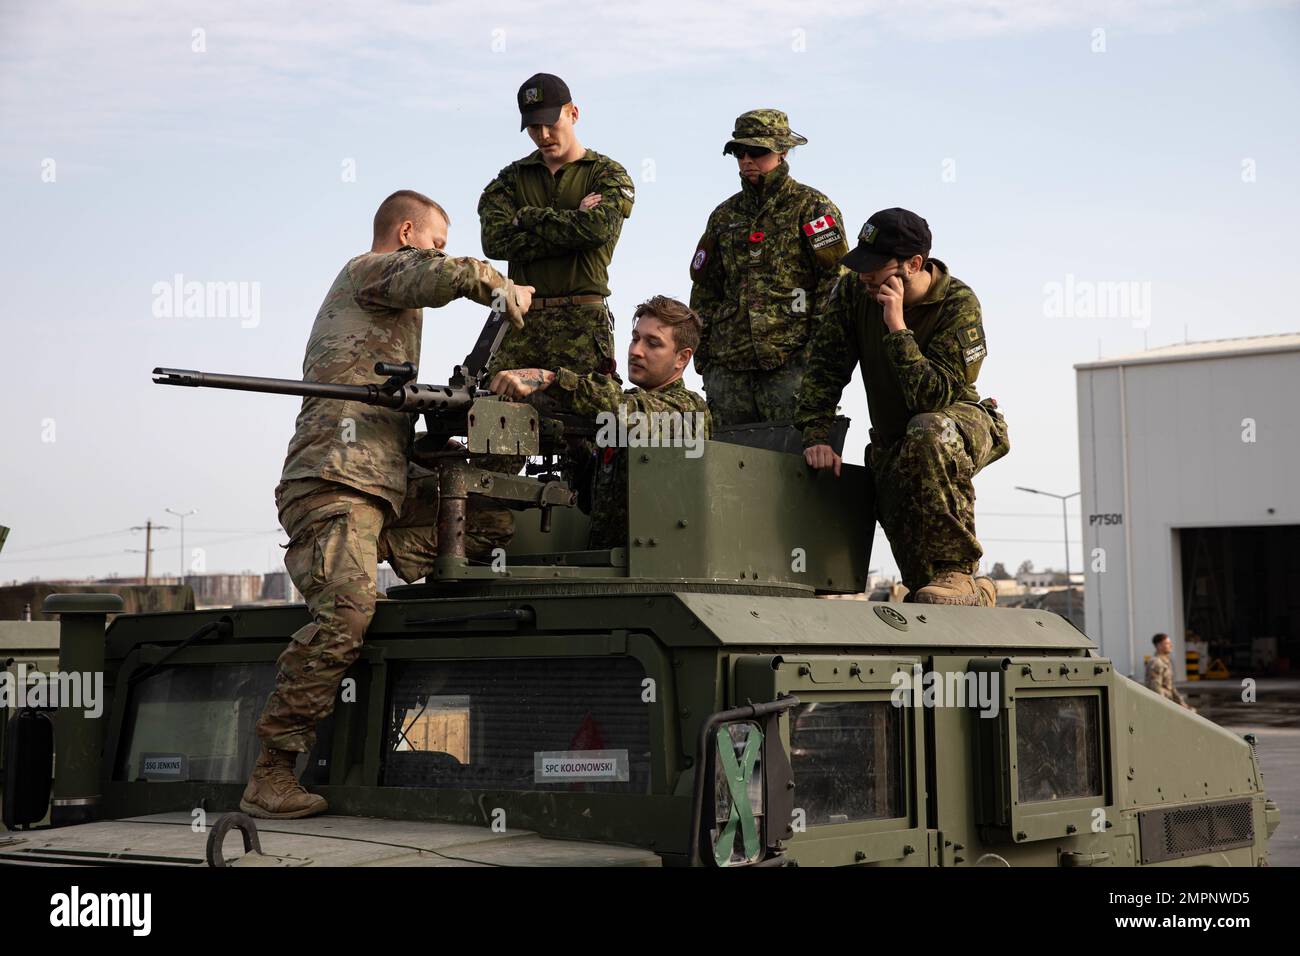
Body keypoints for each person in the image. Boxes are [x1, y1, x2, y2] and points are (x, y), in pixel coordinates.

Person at [241, 189, 533, 819]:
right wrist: (492, 282)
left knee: (491, 516)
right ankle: (271, 773)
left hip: (384, 482)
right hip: (337, 481)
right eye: (434, 241)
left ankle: (396, 583)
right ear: (406, 233)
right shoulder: (368, 272)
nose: (439, 254)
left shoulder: (389, 315)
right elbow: (429, 275)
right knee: (345, 615)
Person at [796, 208, 1009, 606]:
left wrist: (897, 326)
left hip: (958, 423)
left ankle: (958, 570)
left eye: (876, 268)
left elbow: (931, 396)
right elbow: (824, 368)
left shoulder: (958, 305)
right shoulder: (854, 292)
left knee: (928, 430)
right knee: (924, 588)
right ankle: (972, 592)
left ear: (914, 265)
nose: (865, 276)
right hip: (896, 439)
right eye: (862, 265)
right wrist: (818, 435)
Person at [490, 295, 710, 549]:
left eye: (653, 343)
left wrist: (550, 379)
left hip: (658, 569)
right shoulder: (617, 410)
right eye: (635, 338)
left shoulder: (689, 410)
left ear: (682, 358)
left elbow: (631, 412)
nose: (636, 351)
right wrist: (574, 445)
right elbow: (591, 503)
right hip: (608, 565)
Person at [688, 109, 848, 427]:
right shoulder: (723, 216)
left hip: (791, 364)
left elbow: (834, 283)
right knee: (726, 465)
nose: (747, 160)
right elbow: (705, 289)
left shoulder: (813, 208)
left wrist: (816, 354)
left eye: (758, 151)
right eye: (739, 152)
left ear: (782, 151)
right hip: (729, 369)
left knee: (792, 464)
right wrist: (703, 354)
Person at [478, 72, 635, 378]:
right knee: (507, 415)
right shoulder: (511, 178)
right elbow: (495, 241)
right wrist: (572, 222)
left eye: (552, 123)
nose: (544, 134)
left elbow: (595, 230)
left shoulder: (608, 174)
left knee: (581, 416)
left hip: (583, 322)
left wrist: (526, 217)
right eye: (534, 127)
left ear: (573, 113)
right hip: (522, 320)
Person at [1146, 633, 1195, 711]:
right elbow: (1155, 688)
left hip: (1168, 702)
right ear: (1159, 646)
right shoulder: (1156, 663)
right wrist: (1164, 707)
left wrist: (1181, 702)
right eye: (1167, 643)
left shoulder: (1165, 661)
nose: (1171, 645)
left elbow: (1170, 686)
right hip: (1161, 706)